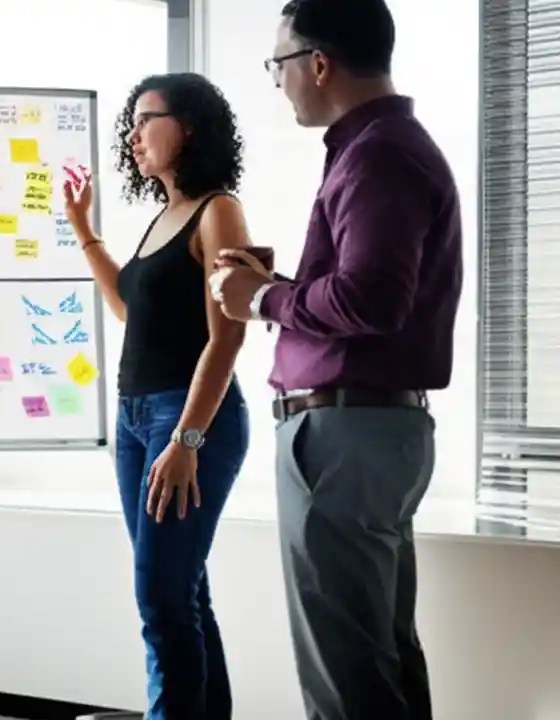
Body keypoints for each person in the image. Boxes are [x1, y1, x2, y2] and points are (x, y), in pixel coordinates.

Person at [210, 1, 461, 718]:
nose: (280, 82)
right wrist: (279, 289)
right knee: (376, 655)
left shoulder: (379, 152)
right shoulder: (385, 147)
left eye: (280, 65)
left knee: (346, 669)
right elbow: (370, 296)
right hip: (369, 431)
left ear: (317, 63)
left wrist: (262, 301)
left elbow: (372, 301)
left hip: (345, 436)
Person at [63, 72, 252, 719]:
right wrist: (84, 231)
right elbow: (131, 310)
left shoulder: (218, 209)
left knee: (161, 597)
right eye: (131, 123)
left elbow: (227, 337)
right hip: (137, 416)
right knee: (181, 592)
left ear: (189, 125)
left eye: (148, 119)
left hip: (189, 419)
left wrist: (187, 438)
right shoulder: (161, 216)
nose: (133, 134)